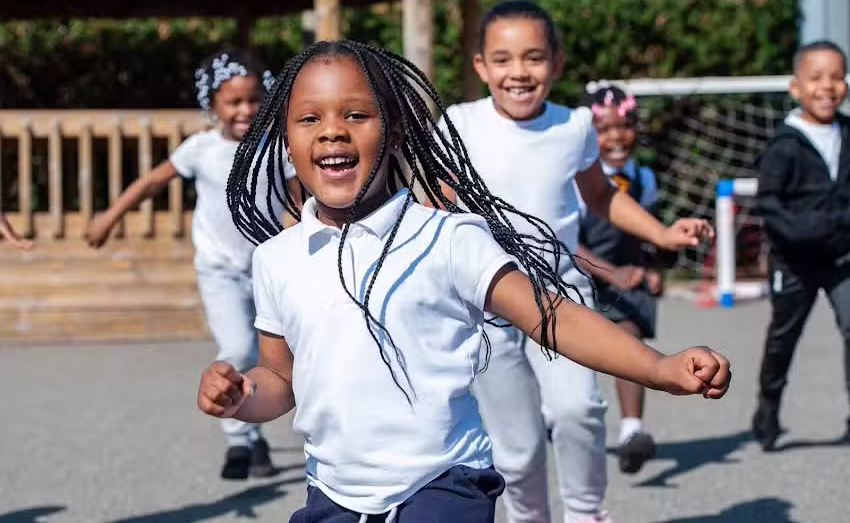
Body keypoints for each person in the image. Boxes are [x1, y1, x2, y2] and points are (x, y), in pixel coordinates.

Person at [197, 39, 731, 523]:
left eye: (357, 114)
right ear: (285, 140)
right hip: (334, 495)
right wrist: (243, 394)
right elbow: (280, 379)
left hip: (445, 485)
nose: (332, 129)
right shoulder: (276, 259)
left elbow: (553, 316)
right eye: (308, 119)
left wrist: (659, 368)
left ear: (397, 131)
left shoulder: (448, 238)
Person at [434, 0, 714, 523]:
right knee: (515, 449)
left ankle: (586, 513)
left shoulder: (574, 126)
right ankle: (529, 517)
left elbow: (602, 196)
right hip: (487, 303)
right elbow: (434, 207)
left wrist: (662, 232)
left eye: (534, 58)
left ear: (557, 63)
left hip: (559, 292)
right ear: (481, 67)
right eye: (503, 59)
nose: (519, 72)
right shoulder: (457, 125)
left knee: (578, 409)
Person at [87, 48, 302, 479]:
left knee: (278, 353)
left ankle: (253, 433)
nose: (245, 110)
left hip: (266, 268)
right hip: (219, 270)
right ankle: (239, 440)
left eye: (254, 99)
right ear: (213, 104)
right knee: (239, 348)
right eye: (234, 102)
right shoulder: (201, 149)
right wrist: (110, 216)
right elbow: (152, 181)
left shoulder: (275, 147)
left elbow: (298, 201)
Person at [753, 39, 850, 451]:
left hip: (843, 258)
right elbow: (769, 203)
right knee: (783, 338)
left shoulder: (848, 133)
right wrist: (804, 231)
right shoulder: (785, 145)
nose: (827, 86)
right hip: (794, 262)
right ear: (796, 87)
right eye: (816, 78)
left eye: (837, 77)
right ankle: (769, 404)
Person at [576, 81, 674, 474]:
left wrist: (653, 270)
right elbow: (561, 242)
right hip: (578, 274)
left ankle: (632, 430)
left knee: (628, 338)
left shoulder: (644, 178)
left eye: (625, 126)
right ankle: (554, 413)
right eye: (605, 129)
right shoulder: (577, 180)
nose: (617, 137)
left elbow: (649, 238)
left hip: (625, 279)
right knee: (571, 362)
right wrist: (609, 271)